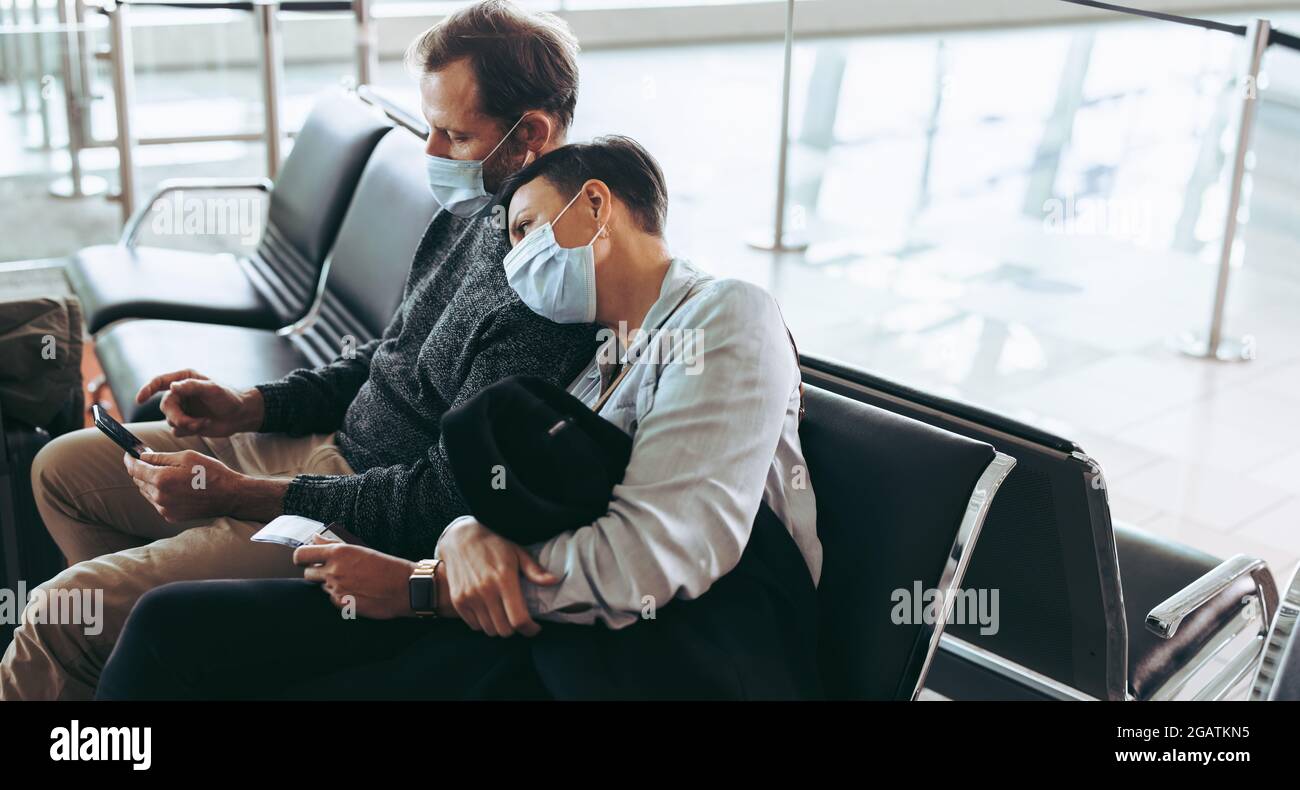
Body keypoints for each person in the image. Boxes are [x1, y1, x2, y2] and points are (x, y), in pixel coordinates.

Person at [0, 0, 600, 701]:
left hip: (358, 517)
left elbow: (436, 498)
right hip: (320, 449)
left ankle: (123, 637)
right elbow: (385, 355)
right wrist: (249, 405)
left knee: (59, 611)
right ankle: (135, 666)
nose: (430, 153)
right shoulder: (476, 214)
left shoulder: (547, 296)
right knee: (62, 471)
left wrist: (238, 496)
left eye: (453, 134)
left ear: (530, 134)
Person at [97, 136, 823, 700]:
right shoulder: (599, 350)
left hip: (640, 654)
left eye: (527, 229)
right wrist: (462, 537)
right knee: (174, 625)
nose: (515, 261)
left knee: (202, 647)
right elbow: (495, 502)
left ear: (596, 206)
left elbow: (650, 560)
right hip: (531, 627)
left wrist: (425, 588)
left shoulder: (727, 317)